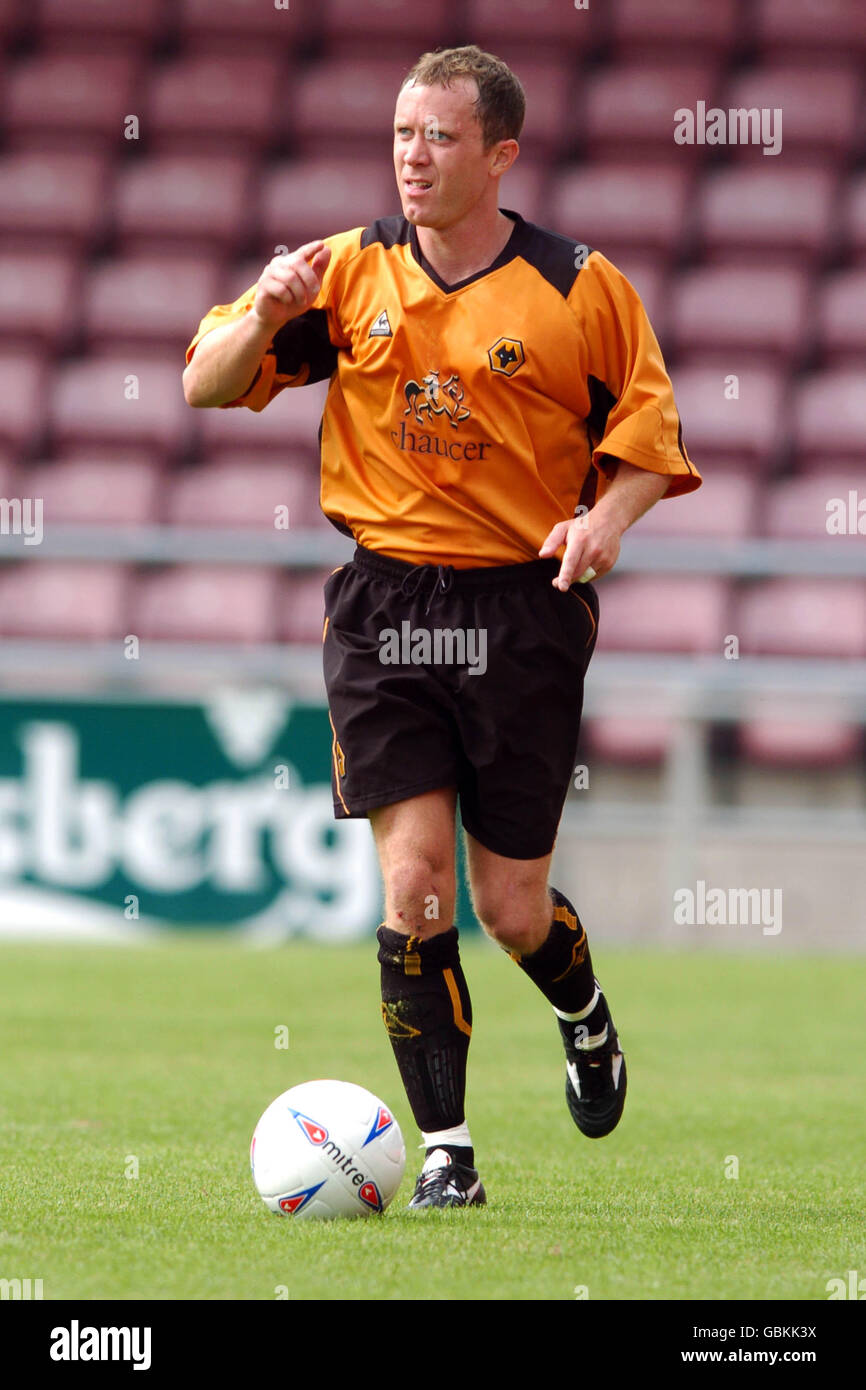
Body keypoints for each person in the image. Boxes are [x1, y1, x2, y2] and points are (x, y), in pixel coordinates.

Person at [184, 45, 701, 1209]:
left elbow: (649, 444)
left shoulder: (578, 287)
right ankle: (447, 1153)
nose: (412, 158)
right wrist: (262, 312)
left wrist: (602, 520)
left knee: (509, 908)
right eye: (403, 134)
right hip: (383, 606)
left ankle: (580, 1011)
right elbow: (206, 386)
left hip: (521, 610)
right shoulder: (345, 273)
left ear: (499, 154)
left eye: (441, 138)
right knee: (412, 886)